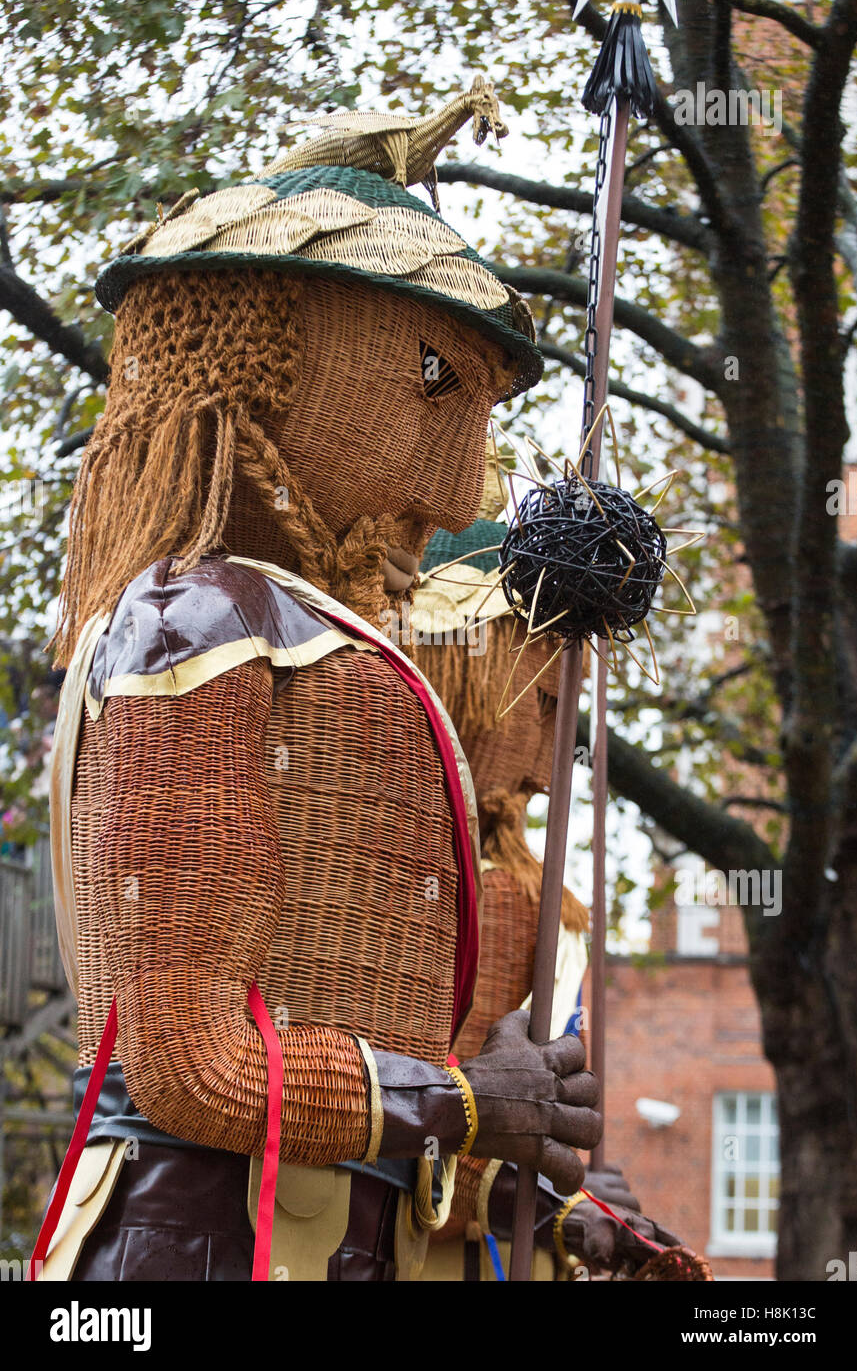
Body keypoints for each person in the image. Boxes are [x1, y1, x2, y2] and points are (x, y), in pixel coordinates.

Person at [37, 82, 602, 1282]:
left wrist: (543, 1192)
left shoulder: (299, 634)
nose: (461, 488)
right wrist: (459, 1094)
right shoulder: (196, 626)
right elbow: (186, 1060)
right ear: (272, 348)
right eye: (436, 381)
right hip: (201, 1249)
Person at [412, 520, 681, 1279]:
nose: (546, 765)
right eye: (541, 707)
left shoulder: (532, 896)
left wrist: (563, 1204)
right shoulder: (411, 880)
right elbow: (378, 1134)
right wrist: (548, 1200)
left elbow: (468, 1139)